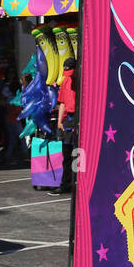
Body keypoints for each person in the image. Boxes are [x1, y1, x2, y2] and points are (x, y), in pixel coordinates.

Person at [56, 58, 78, 189]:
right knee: (66, 153)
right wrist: (59, 120)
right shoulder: (65, 82)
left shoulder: (81, 81)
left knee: (78, 154)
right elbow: (62, 102)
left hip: (78, 117)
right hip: (68, 119)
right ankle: (65, 184)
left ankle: (77, 185)